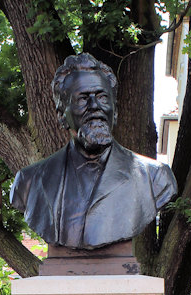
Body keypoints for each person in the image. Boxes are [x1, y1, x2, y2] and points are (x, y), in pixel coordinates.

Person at [10, 53, 177, 250]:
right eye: (82, 99)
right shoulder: (29, 181)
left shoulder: (154, 178)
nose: (94, 106)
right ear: (62, 115)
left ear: (115, 110)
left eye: (102, 97)